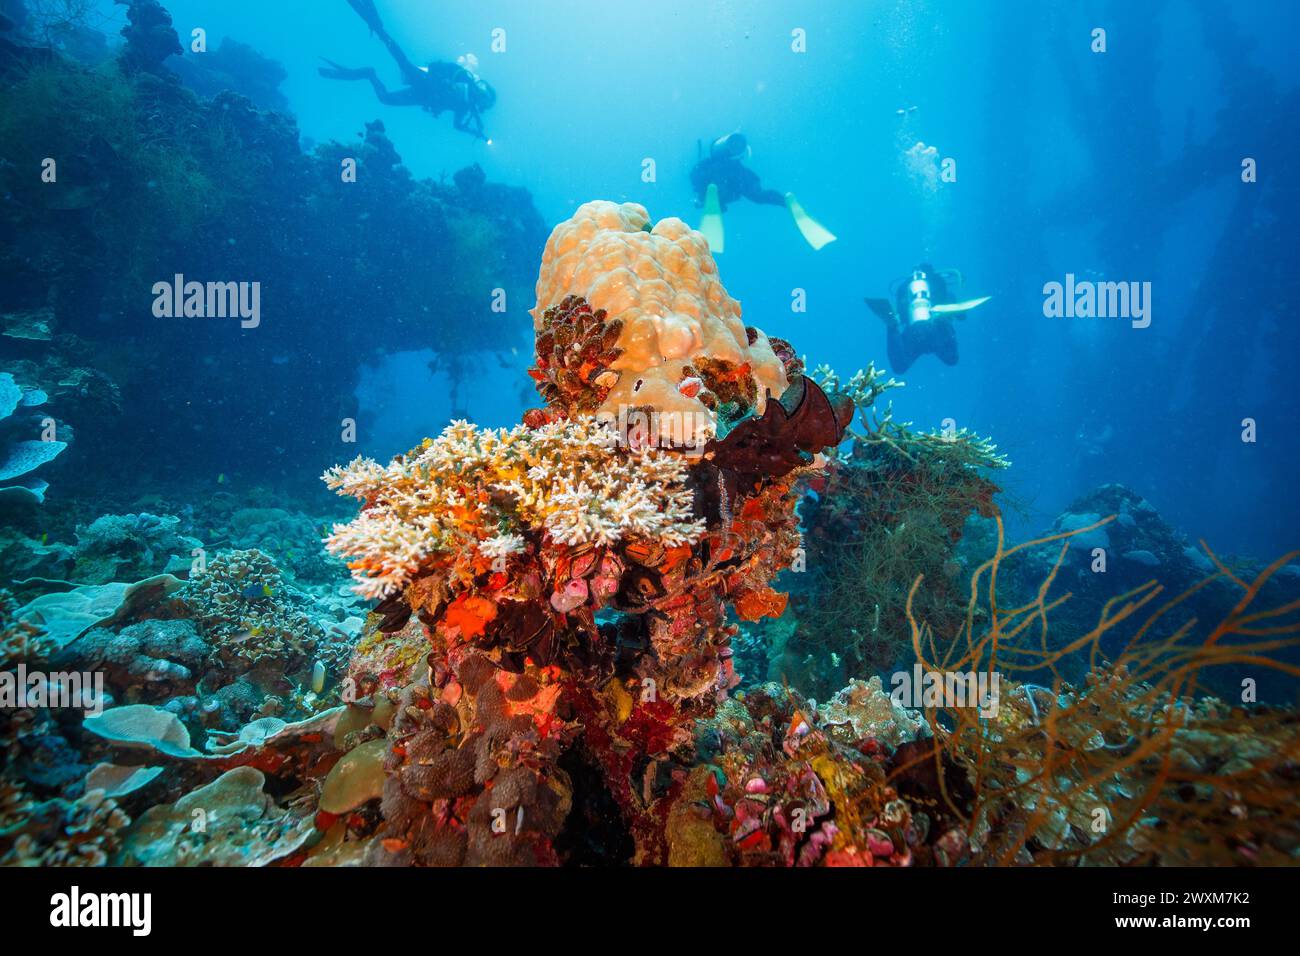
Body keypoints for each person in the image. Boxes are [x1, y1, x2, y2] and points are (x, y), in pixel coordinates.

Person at [319, 0, 495, 141]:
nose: (482, 105)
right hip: (427, 82)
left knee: (385, 99)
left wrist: (475, 133)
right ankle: (380, 31)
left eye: (485, 104)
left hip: (423, 98)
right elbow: (449, 69)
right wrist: (445, 82)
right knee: (402, 61)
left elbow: (457, 125)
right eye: (485, 101)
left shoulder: (466, 107)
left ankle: (368, 73)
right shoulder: (466, 79)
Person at [690, 132, 835, 253]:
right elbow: (755, 192)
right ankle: (787, 201)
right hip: (736, 176)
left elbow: (695, 177)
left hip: (719, 178)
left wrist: (703, 195)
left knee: (714, 190)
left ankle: (712, 191)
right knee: (760, 196)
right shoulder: (734, 168)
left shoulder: (706, 166)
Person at [864, 265, 991, 373]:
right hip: (939, 330)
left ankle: (891, 326)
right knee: (952, 359)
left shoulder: (904, 288)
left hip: (914, 332)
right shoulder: (939, 283)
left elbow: (902, 316)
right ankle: (935, 319)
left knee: (899, 367)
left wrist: (896, 323)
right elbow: (962, 316)